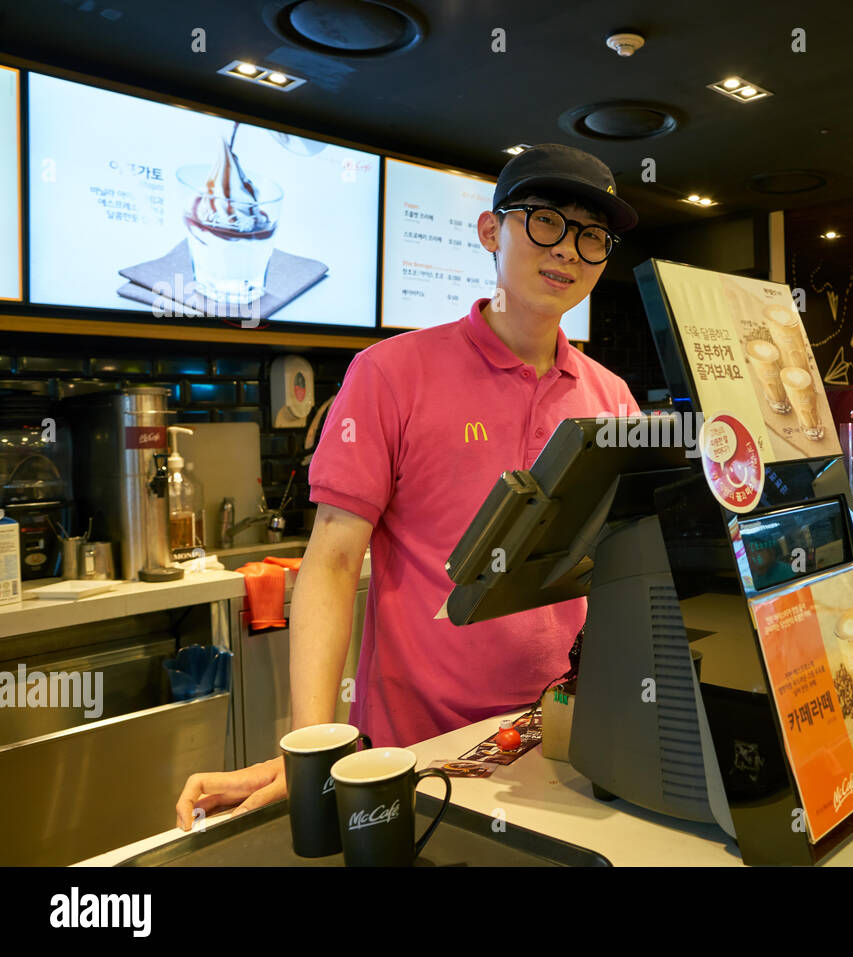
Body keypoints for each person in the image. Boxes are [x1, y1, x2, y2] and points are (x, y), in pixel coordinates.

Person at [176, 144, 639, 829]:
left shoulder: (614, 399)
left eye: (592, 235)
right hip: (422, 756)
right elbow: (331, 561)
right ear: (490, 231)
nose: (568, 249)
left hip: (564, 741)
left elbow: (621, 571)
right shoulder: (391, 374)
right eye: (545, 220)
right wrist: (310, 748)